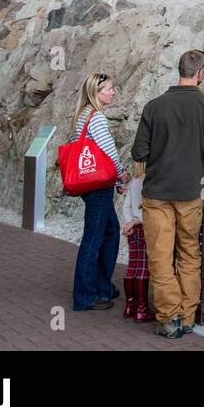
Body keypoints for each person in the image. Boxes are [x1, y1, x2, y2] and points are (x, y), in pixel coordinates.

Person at [131, 50, 204, 339]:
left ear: (179, 70)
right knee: (189, 255)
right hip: (191, 194)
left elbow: (139, 152)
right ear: (202, 73)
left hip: (157, 193)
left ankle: (170, 318)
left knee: (160, 257)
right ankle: (187, 316)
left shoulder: (154, 106)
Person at [70, 72, 130, 312]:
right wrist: (121, 176)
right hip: (98, 185)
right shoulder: (96, 118)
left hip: (90, 184)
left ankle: (102, 286)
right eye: (109, 89)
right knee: (93, 238)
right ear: (96, 92)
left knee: (110, 232)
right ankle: (84, 296)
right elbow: (108, 153)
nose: (113, 92)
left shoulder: (82, 115)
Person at [120, 161, 152, 323]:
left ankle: (129, 306)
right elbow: (148, 207)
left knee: (132, 266)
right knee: (144, 269)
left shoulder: (134, 181)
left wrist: (128, 223)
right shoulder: (150, 180)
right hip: (144, 227)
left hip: (132, 228)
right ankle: (142, 309)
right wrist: (136, 221)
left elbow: (126, 206)